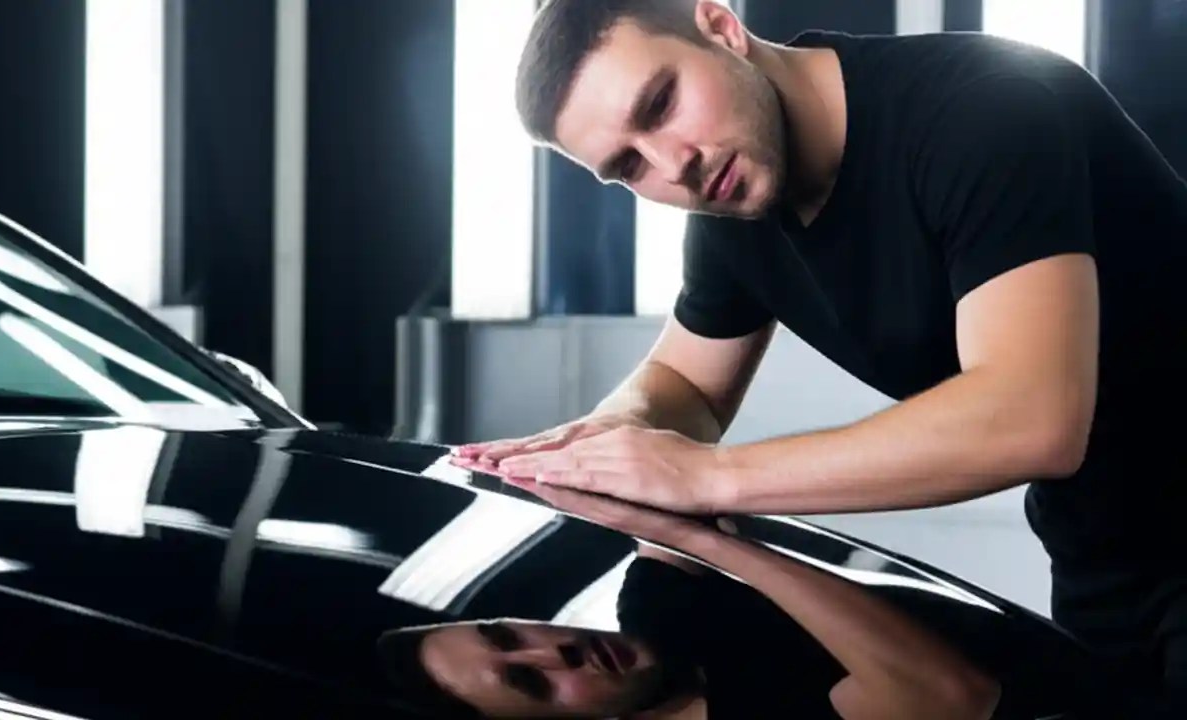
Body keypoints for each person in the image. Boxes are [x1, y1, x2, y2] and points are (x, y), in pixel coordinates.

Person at [448, 0, 1187, 716]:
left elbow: (1032, 420)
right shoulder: (733, 207)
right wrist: (600, 444)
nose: (673, 165)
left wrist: (706, 477)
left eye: (662, 103)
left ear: (720, 25)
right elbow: (684, 386)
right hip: (1107, 558)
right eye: (627, 165)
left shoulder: (986, 107)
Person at [376, 480, 1016, 719]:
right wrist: (695, 538)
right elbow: (951, 696)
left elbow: (676, 460)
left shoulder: (657, 609)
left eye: (510, 635)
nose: (555, 651)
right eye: (531, 685)